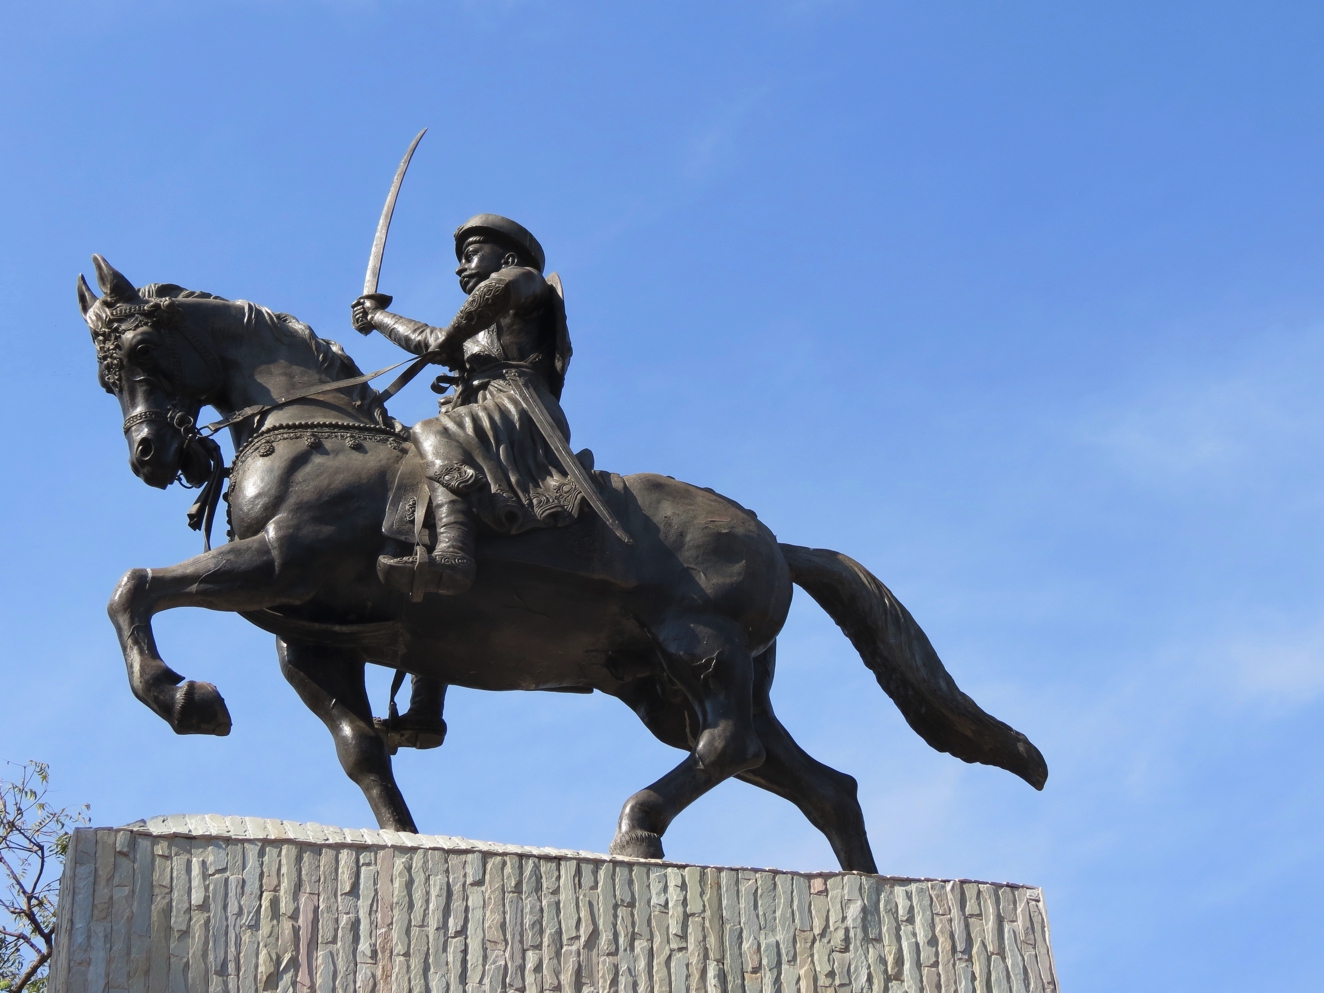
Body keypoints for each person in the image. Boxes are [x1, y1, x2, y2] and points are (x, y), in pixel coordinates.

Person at [350, 214, 576, 597]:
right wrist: (378, 316)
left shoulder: (527, 282)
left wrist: (453, 335)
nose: (460, 267)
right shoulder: (479, 330)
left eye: (471, 254)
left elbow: (497, 293)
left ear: (506, 259)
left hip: (520, 404)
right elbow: (430, 339)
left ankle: (456, 552)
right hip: (482, 405)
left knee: (431, 431)